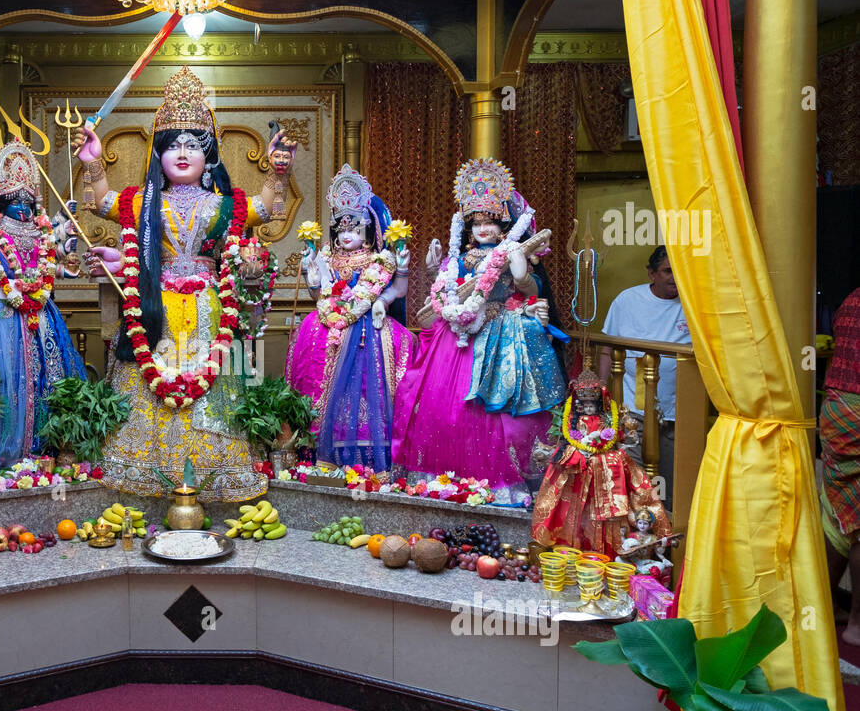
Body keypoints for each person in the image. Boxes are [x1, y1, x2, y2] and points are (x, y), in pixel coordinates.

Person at [72, 66, 294, 501]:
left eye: (193, 145)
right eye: (172, 145)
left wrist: (279, 169)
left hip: (212, 312)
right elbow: (97, 203)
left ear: (208, 155)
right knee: (149, 386)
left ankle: (214, 478)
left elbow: (269, 210)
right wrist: (92, 161)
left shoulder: (226, 205)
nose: (182, 153)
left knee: (214, 390)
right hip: (153, 310)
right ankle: (143, 476)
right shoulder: (141, 203)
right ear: (159, 154)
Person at [393, 159, 565, 505]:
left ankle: (497, 484)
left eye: (489, 221)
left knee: (488, 415)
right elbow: (444, 296)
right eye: (476, 222)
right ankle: (442, 477)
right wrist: (433, 268)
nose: (483, 228)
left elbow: (532, 289)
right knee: (443, 409)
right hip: (453, 336)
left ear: (503, 223)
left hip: (500, 332)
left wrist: (520, 275)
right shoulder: (460, 257)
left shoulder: (515, 251)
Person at [0, 137, 86, 468]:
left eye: (28, 200)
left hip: (41, 312)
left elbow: (53, 267)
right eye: (14, 200)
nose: (23, 207)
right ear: (0, 202)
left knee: (49, 375)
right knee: (3, 381)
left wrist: (63, 243)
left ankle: (47, 453)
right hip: (0, 312)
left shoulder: (42, 232)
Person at [285, 164, 412, 474]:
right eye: (341, 229)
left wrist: (384, 297)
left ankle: (369, 456)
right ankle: (315, 451)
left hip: (370, 325)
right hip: (328, 324)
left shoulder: (379, 258)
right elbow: (321, 296)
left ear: (368, 230)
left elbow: (398, 288)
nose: (346, 235)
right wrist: (313, 276)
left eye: (354, 229)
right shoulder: (327, 256)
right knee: (314, 365)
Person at [530, 367, 671, 557]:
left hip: (604, 454)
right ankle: (566, 543)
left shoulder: (606, 417)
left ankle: (612, 546)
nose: (588, 406)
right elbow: (570, 434)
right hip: (579, 454)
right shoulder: (573, 417)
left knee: (623, 470)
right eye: (585, 402)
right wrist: (580, 447)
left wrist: (606, 443)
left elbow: (615, 435)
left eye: (592, 402)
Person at [598, 244, 688, 503]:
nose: (674, 278)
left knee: (673, 483)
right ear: (651, 274)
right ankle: (631, 533)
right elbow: (608, 346)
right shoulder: (628, 300)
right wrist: (602, 390)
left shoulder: (692, 302)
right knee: (631, 474)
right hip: (633, 404)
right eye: (667, 271)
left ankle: (667, 533)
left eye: (679, 271)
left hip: (678, 408)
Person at [820, 285, 860, 646]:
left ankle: (824, 603)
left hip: (836, 408)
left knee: (837, 509)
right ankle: (858, 625)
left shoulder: (851, 298)